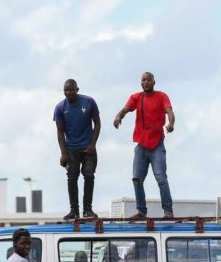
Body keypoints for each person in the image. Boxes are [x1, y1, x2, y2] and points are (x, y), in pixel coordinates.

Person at [112, 72, 176, 219]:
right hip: (141, 145)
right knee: (136, 179)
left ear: (154, 82)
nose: (146, 82)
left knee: (160, 177)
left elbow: (170, 112)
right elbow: (125, 109)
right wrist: (118, 116)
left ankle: (168, 210)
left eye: (149, 80)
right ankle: (141, 211)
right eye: (143, 80)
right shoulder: (136, 97)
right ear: (141, 83)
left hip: (157, 145)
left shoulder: (161, 96)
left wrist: (171, 124)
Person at [54, 79, 102, 220]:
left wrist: (93, 144)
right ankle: (74, 210)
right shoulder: (60, 108)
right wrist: (63, 153)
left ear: (77, 89)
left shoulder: (89, 102)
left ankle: (88, 210)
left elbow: (97, 123)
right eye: (65, 90)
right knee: (72, 177)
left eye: (71, 90)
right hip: (71, 149)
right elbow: (60, 131)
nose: (68, 92)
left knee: (89, 175)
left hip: (88, 147)